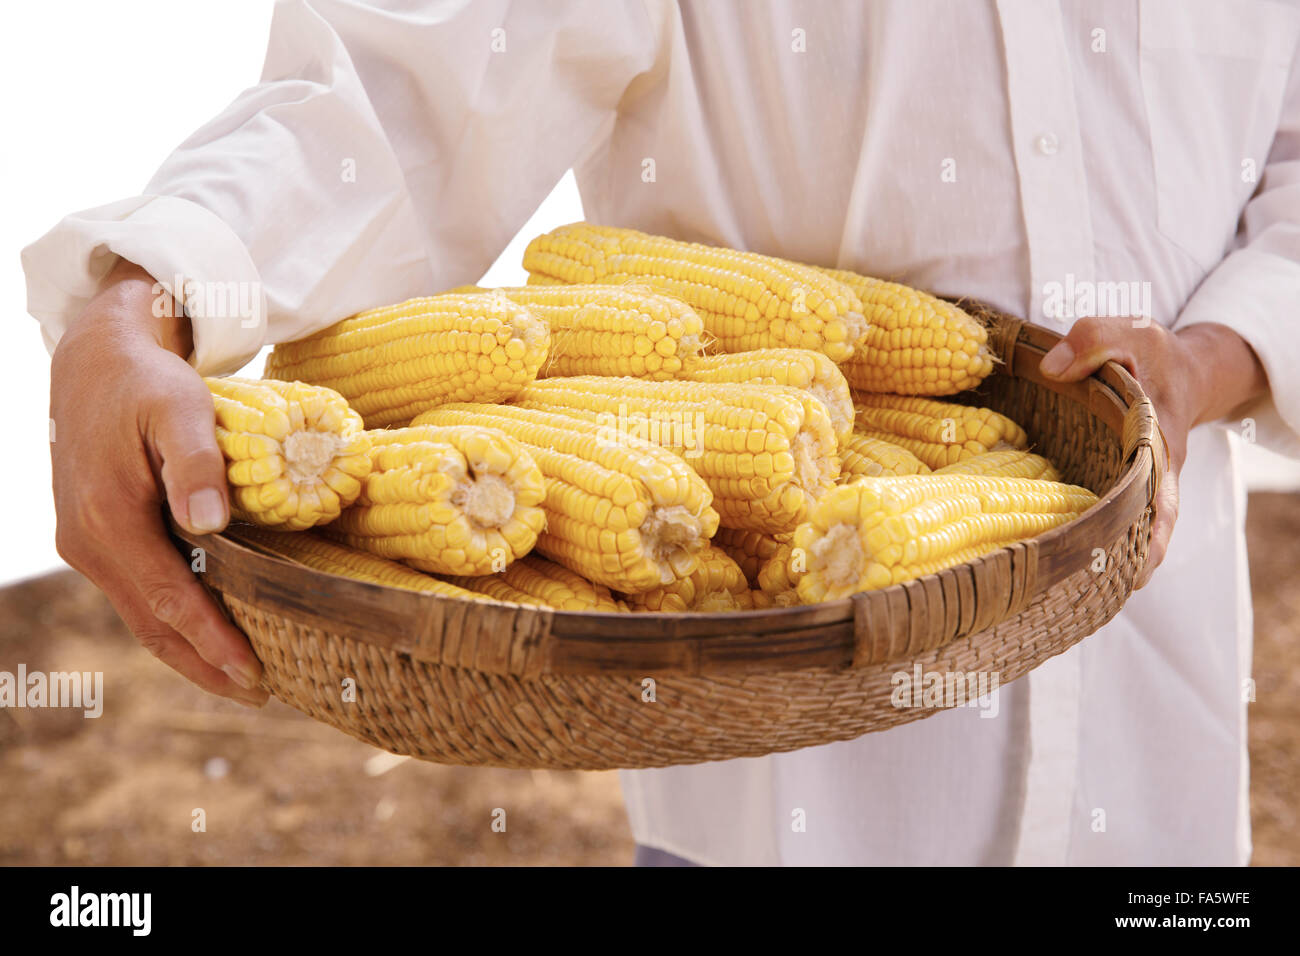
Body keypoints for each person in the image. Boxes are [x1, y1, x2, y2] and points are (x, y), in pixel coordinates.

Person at [22, 0, 1298, 865]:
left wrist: (1213, 355)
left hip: (1159, 785)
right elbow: (416, 85)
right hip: (775, 797)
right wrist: (145, 297)